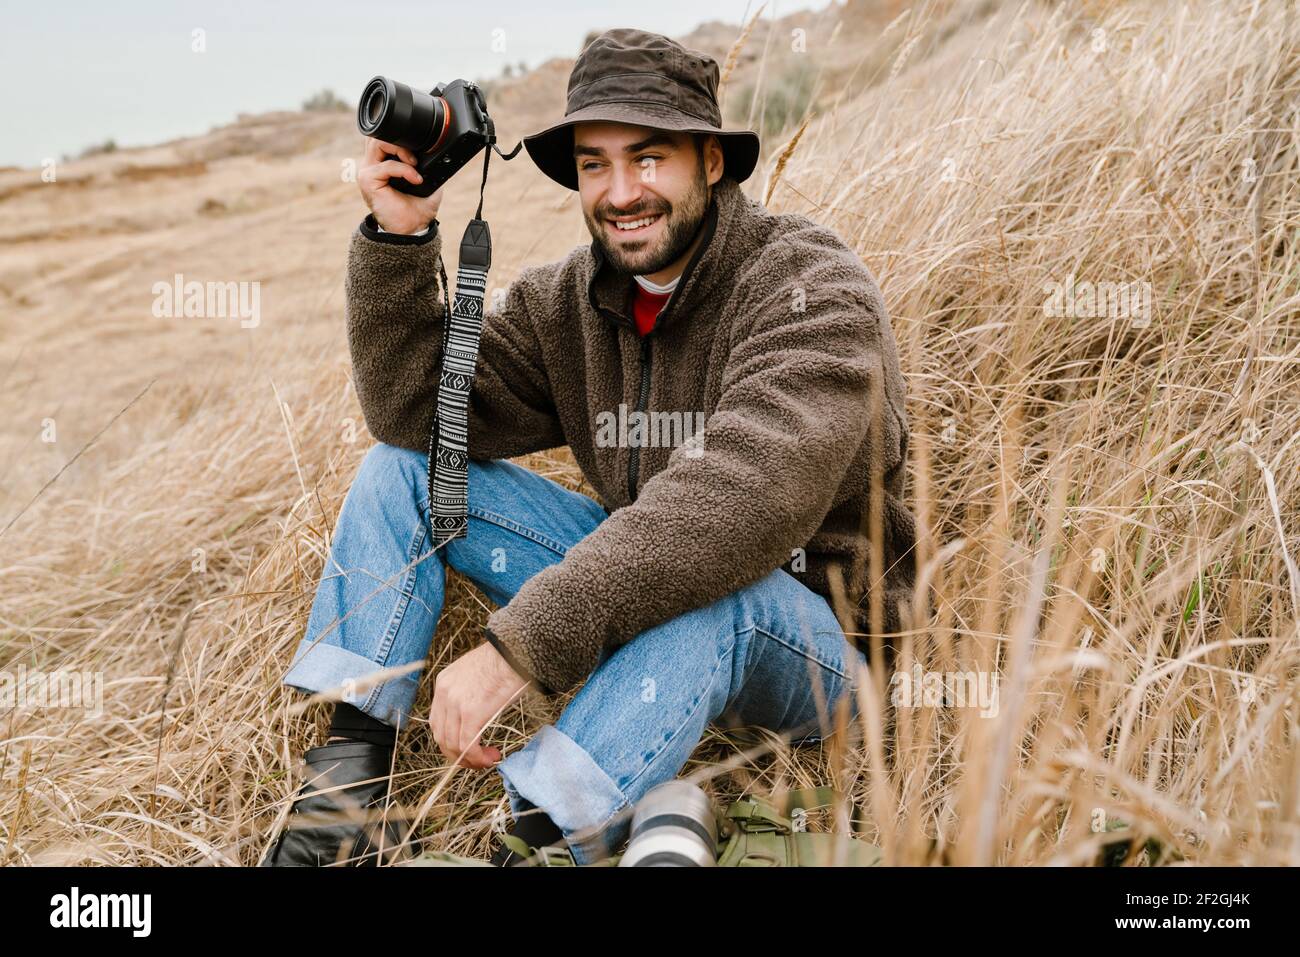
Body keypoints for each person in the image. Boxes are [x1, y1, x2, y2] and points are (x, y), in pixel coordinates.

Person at [259, 27, 919, 868]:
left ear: (710, 163)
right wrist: (399, 237)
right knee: (409, 472)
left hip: (814, 647)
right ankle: (343, 806)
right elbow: (421, 416)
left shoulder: (809, 288)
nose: (621, 191)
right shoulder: (569, 300)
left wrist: (520, 646)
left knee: (717, 588)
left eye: (649, 158)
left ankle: (531, 841)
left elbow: (744, 503)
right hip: (649, 609)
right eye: (595, 163)